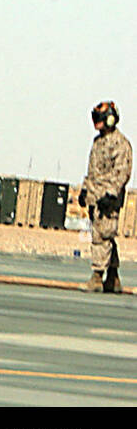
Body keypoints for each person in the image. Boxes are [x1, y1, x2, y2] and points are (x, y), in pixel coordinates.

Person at [79, 101, 131, 293]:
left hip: (108, 198)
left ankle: (97, 276)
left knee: (102, 237)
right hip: (95, 195)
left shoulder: (120, 144)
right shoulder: (98, 142)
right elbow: (92, 169)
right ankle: (114, 277)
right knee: (105, 235)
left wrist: (111, 194)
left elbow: (122, 172)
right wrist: (85, 190)